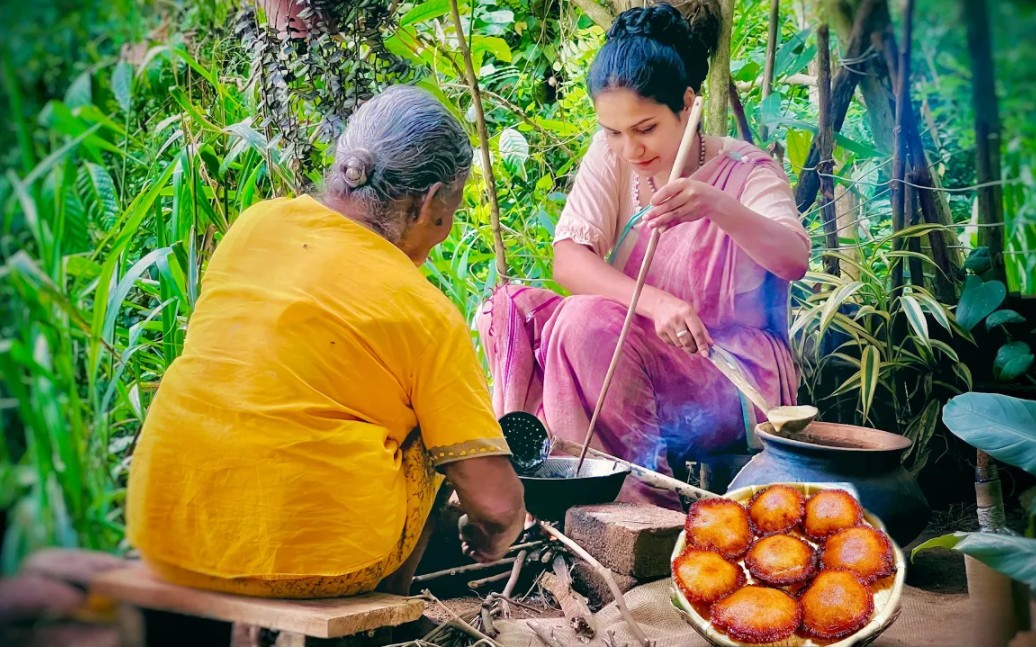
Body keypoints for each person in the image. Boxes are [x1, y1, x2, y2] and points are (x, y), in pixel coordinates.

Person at [126, 85, 526, 599]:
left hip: (167, 537)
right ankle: (382, 625)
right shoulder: (423, 310)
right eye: (451, 209)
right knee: (438, 437)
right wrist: (491, 535)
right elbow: (496, 504)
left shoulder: (253, 226)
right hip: (315, 562)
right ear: (429, 204)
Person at [477, 2, 809, 508]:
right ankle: (538, 486)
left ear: (687, 105)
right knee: (511, 308)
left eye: (646, 128)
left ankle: (640, 512)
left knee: (583, 325)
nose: (630, 149)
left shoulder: (747, 171)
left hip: (729, 367)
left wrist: (716, 206)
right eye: (614, 132)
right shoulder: (614, 155)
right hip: (629, 345)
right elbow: (569, 259)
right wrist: (655, 303)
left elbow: (794, 261)